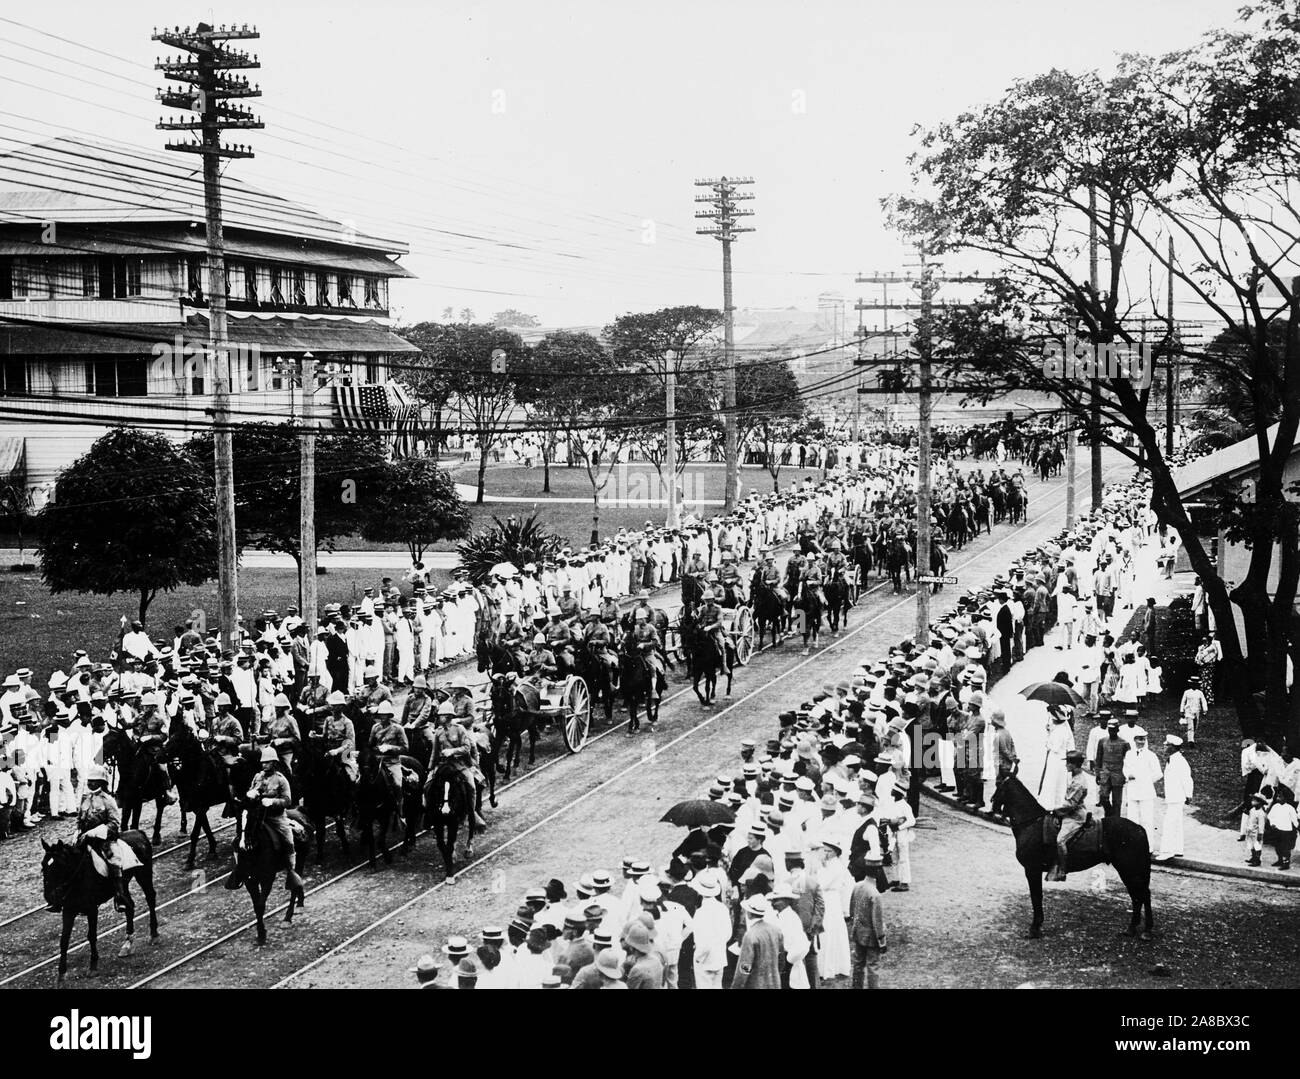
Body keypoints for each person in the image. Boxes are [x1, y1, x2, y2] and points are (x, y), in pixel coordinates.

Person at [68, 763, 138, 911]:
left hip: (104, 840)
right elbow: (80, 818)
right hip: (86, 839)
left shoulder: (108, 800)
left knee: (114, 860)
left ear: (101, 782)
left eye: (94, 781)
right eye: (89, 781)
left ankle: (120, 895)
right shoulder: (85, 798)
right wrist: (78, 831)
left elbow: (114, 823)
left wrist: (97, 831)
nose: (90, 783)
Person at [242, 746, 304, 891]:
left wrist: (273, 802)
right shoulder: (258, 777)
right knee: (241, 837)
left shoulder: (281, 780)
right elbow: (250, 792)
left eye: (268, 762)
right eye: (263, 762)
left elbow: (288, 801)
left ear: (274, 763)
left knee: (288, 840)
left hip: (276, 817)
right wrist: (250, 794)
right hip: (258, 815)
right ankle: (241, 869)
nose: (264, 765)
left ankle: (291, 870)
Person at [1046, 750, 1089, 882]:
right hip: (1069, 811)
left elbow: (1070, 805)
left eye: (1068, 763)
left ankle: (1063, 870)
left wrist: (1054, 809)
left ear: (1074, 764)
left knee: (1060, 840)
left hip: (1075, 816)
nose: (1066, 765)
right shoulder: (1076, 776)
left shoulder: (1078, 782)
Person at [848, 859, 887, 989]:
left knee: (858, 964)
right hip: (871, 937)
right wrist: (882, 940)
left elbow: (852, 910)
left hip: (858, 932)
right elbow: (878, 921)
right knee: (873, 966)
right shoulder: (875, 894)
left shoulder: (857, 886)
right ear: (878, 871)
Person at [730, 894, 782, 989]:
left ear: (749, 913)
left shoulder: (750, 935)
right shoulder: (776, 930)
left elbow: (745, 966)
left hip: (756, 983)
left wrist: (736, 985)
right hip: (774, 982)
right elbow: (781, 957)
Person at [1155, 735, 1193, 861]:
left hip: (1176, 797)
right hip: (1174, 797)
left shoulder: (1179, 761)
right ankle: (1177, 848)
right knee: (1176, 822)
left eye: (1167, 745)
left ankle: (1167, 851)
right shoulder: (1173, 759)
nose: (1164, 747)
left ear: (1173, 747)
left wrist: (1188, 794)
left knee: (1170, 823)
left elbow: (1187, 779)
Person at [1122, 729, 1162, 837]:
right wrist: (1128, 775)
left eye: (1144, 739)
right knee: (1132, 820)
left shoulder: (1151, 755)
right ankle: (1133, 846)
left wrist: (1146, 781)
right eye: (1139, 739)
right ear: (1134, 740)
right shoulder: (1129, 754)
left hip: (1146, 792)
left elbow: (1158, 773)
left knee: (1147, 820)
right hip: (1133, 790)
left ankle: (1148, 847)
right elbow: (1125, 768)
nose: (1142, 742)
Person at [1094, 716, 1128, 818]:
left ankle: (1115, 821)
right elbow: (1098, 758)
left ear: (1117, 729)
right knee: (1103, 798)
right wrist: (1097, 773)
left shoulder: (1124, 743)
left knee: (1117, 802)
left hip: (1118, 775)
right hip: (1105, 774)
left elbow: (1129, 761)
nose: (1111, 732)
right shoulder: (1102, 741)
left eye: (1113, 729)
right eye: (1110, 729)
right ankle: (1108, 816)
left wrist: (1126, 774)